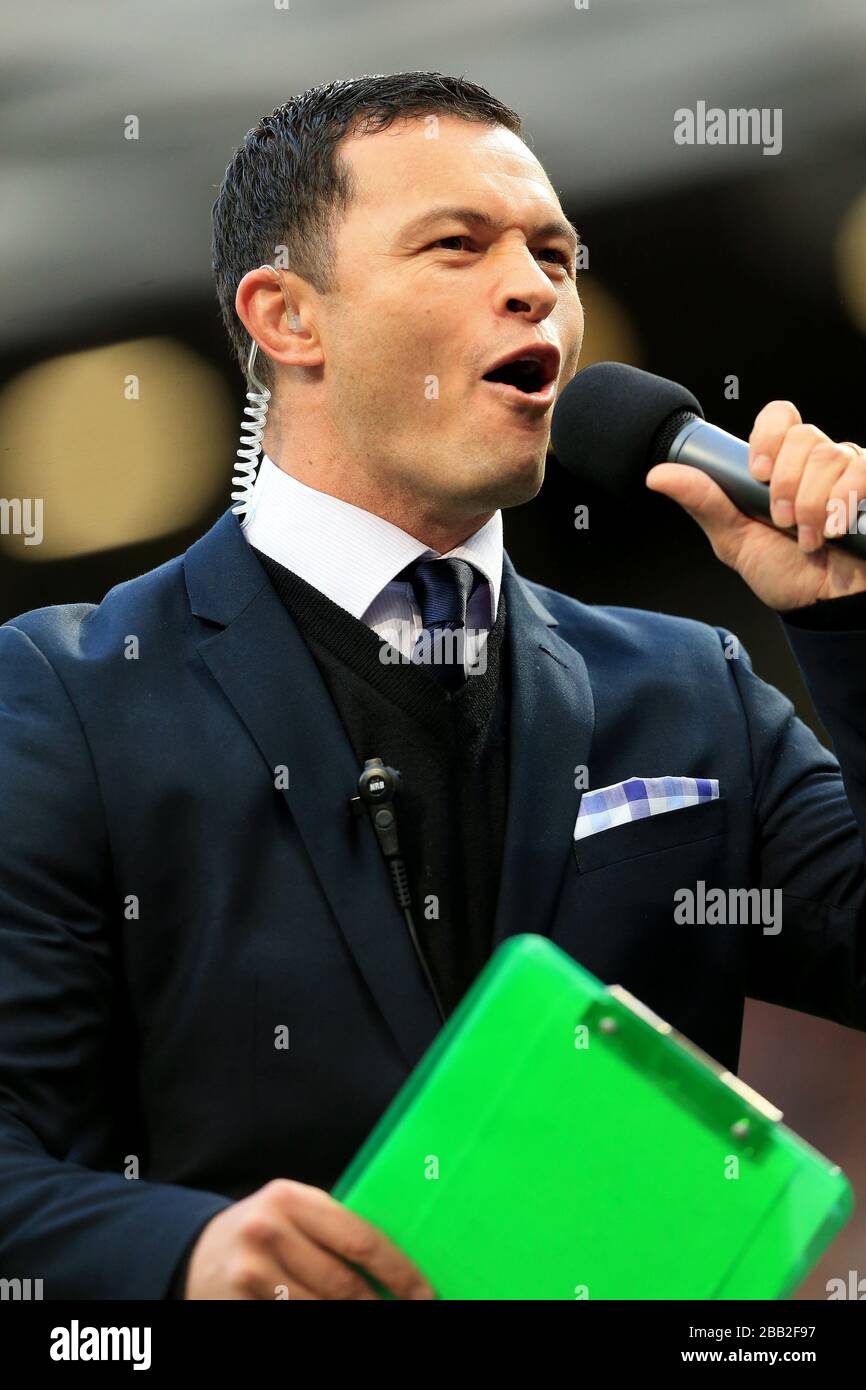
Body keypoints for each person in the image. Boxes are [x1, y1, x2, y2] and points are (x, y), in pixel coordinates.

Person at [1, 71, 865, 1301]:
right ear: (286, 317)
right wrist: (186, 1253)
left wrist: (844, 620)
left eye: (554, 253)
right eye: (457, 244)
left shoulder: (690, 690)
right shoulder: (68, 696)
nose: (536, 285)